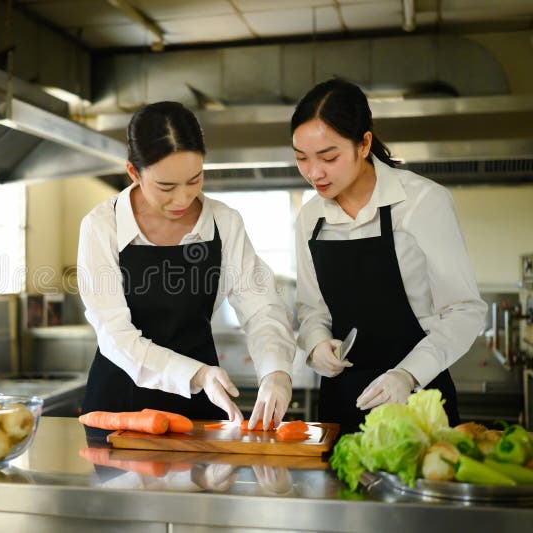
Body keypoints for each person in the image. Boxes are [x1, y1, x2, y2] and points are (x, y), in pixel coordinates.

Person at [78, 101, 295, 433]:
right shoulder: (102, 225)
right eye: (166, 187)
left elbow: (261, 307)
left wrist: (275, 371)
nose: (183, 199)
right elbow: (115, 336)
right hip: (120, 412)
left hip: (200, 409)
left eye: (194, 180)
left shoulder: (223, 222)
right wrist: (197, 374)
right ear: (134, 173)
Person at [292, 79, 487, 434]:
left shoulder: (422, 202)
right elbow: (311, 308)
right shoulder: (310, 218)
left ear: (364, 143)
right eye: (301, 157)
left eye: (329, 157)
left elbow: (465, 310)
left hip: (417, 397)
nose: (314, 172)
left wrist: (407, 374)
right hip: (341, 401)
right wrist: (316, 342)